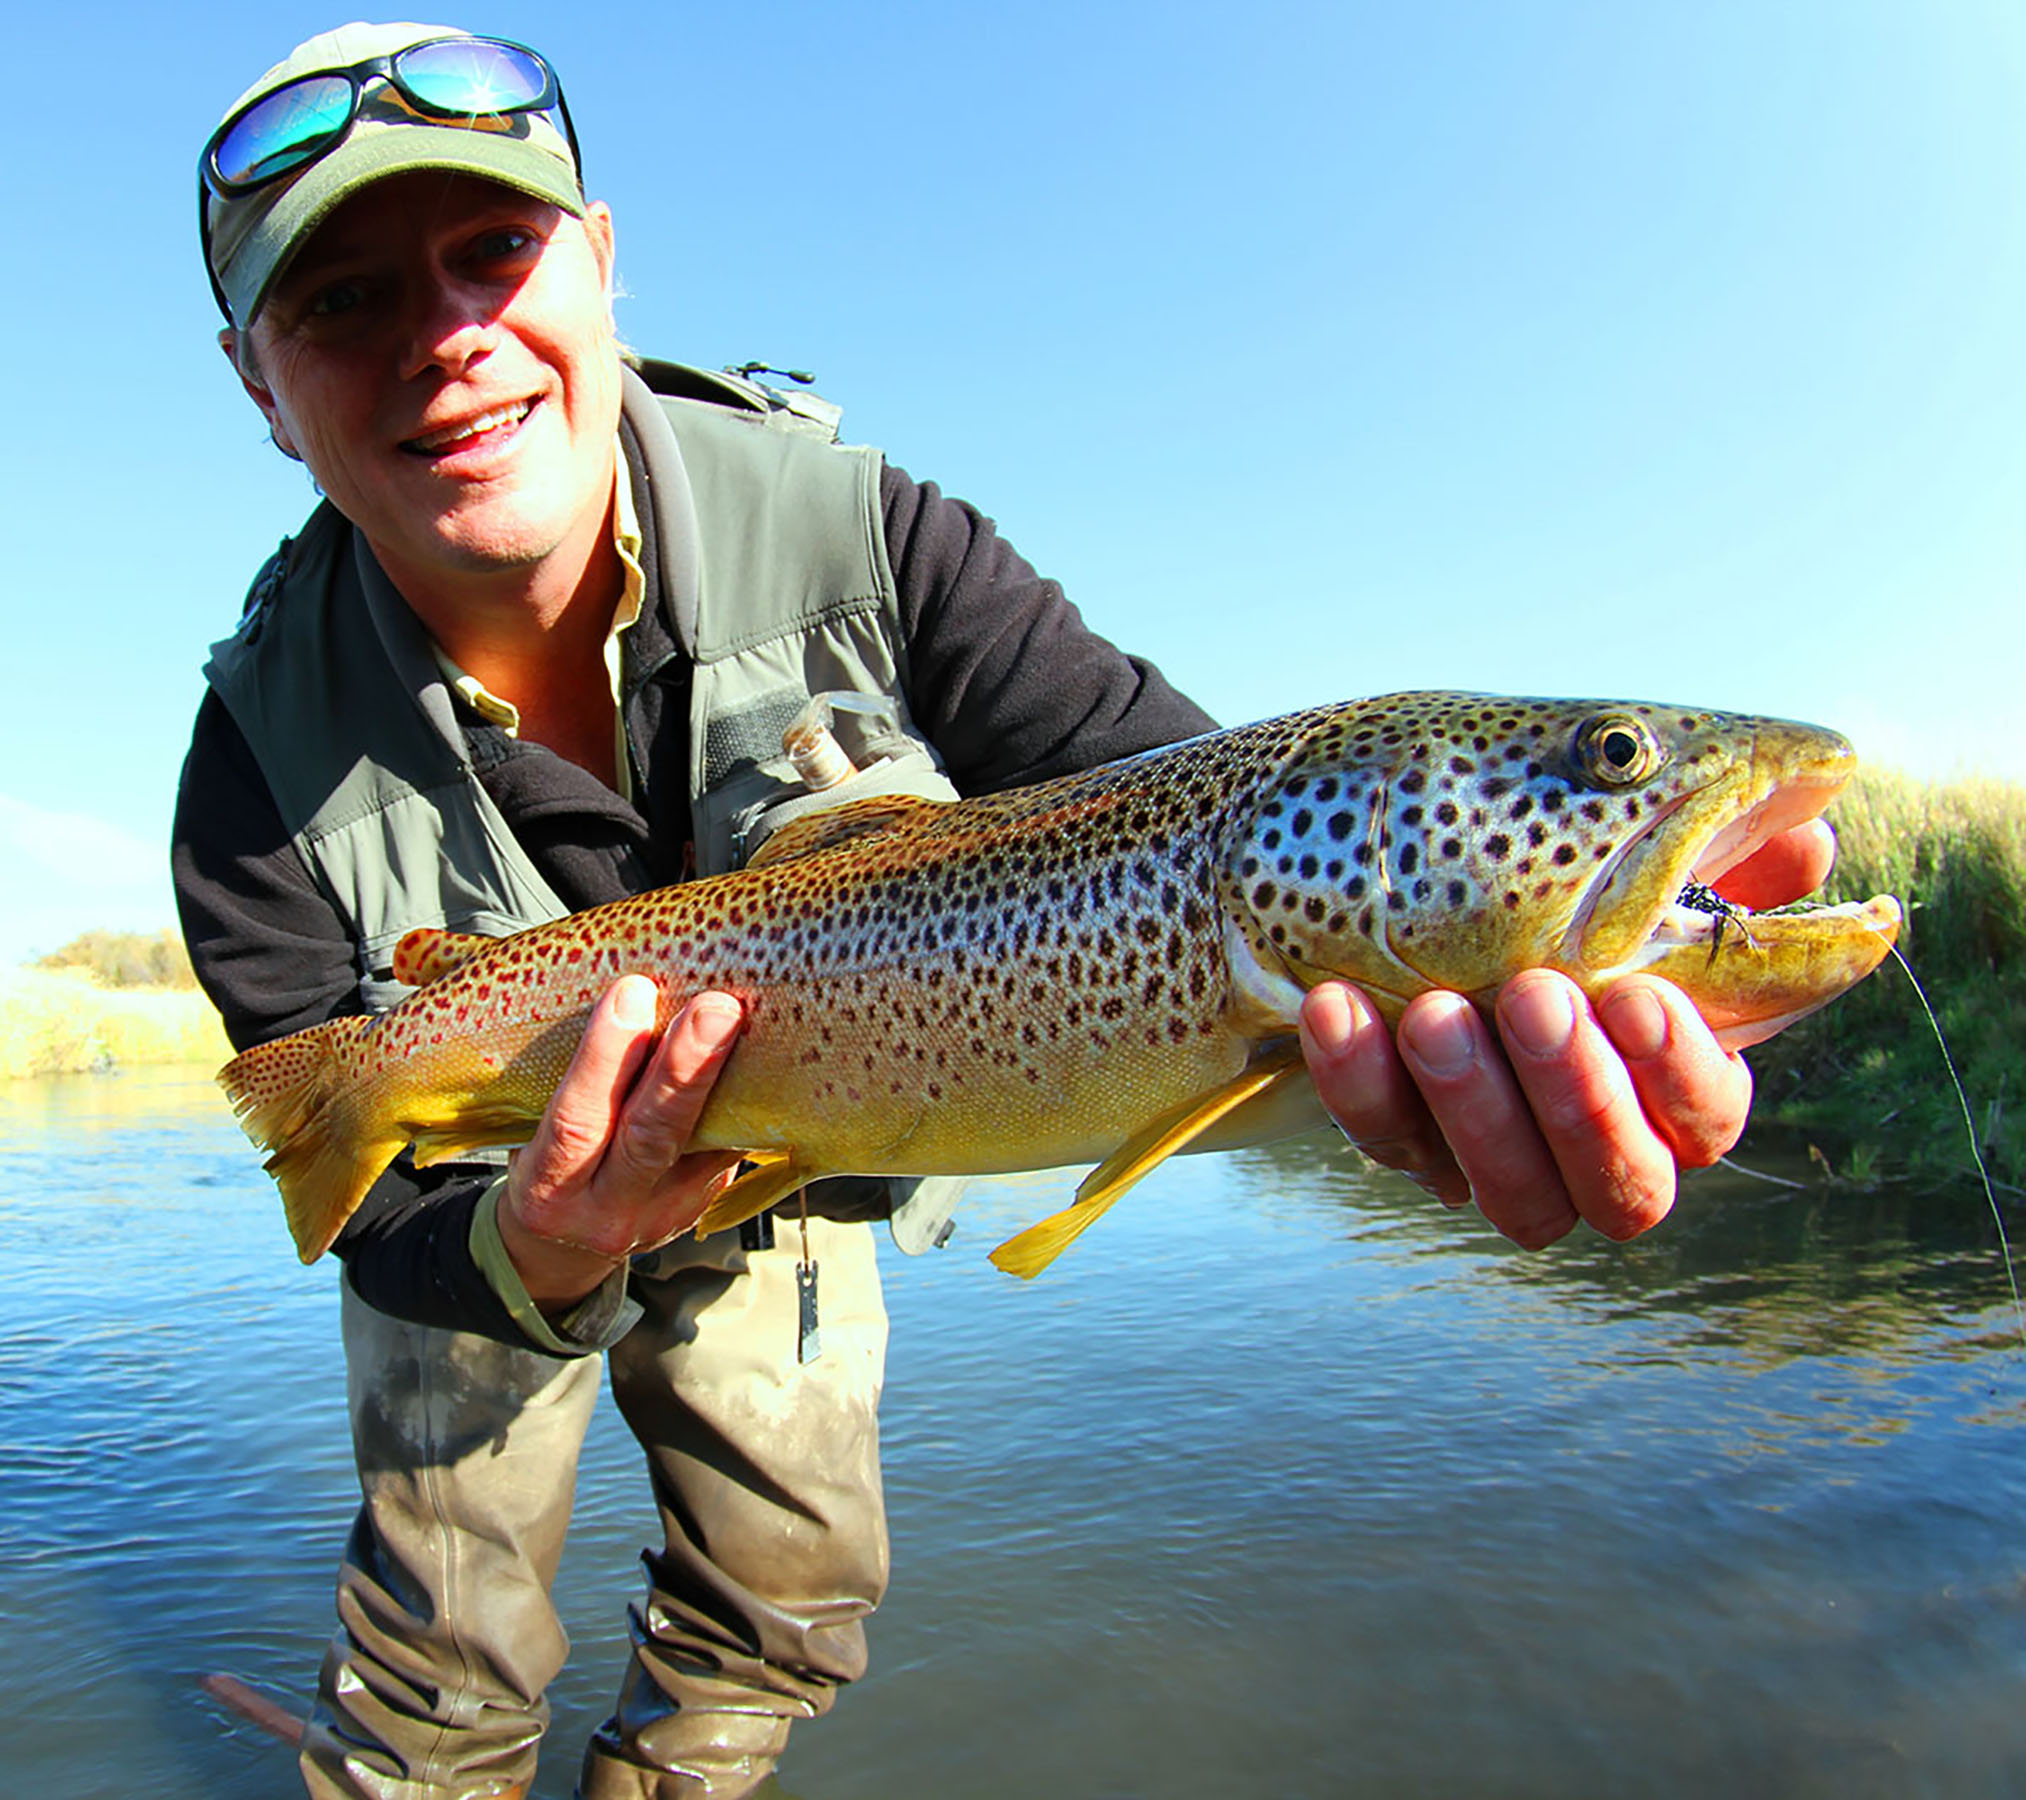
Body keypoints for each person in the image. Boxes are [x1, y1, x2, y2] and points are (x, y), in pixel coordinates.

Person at [174, 22, 1834, 1800]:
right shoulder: (252, 759)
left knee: (779, 1615)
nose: (442, 335)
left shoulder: (876, 536)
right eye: (341, 301)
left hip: (803, 1161)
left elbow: (1178, 789)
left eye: (494, 249)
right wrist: (537, 1244)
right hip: (483, 1212)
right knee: (439, 1663)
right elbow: (351, 1176)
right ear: (256, 384)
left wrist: (1484, 1025)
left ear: (597, 257)